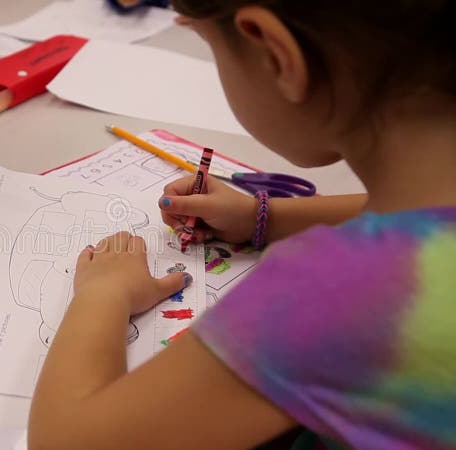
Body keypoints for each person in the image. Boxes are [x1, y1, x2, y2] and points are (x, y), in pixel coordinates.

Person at [28, 1, 456, 449]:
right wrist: (261, 217)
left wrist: (105, 292)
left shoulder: (341, 288)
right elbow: (416, 223)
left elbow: (66, 442)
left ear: (275, 55)